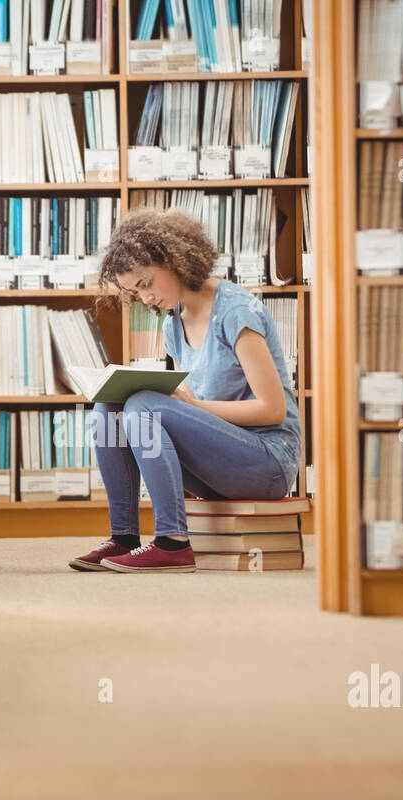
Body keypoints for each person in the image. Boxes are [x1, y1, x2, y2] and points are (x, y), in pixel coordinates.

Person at [69, 209, 301, 573]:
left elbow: (272, 411)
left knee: (144, 405)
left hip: (267, 462)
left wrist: (195, 407)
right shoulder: (173, 323)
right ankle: (125, 537)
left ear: (173, 259)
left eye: (146, 283)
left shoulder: (236, 312)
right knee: (109, 407)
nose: (144, 298)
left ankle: (172, 543)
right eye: (135, 291)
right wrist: (186, 405)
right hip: (222, 460)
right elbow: (188, 410)